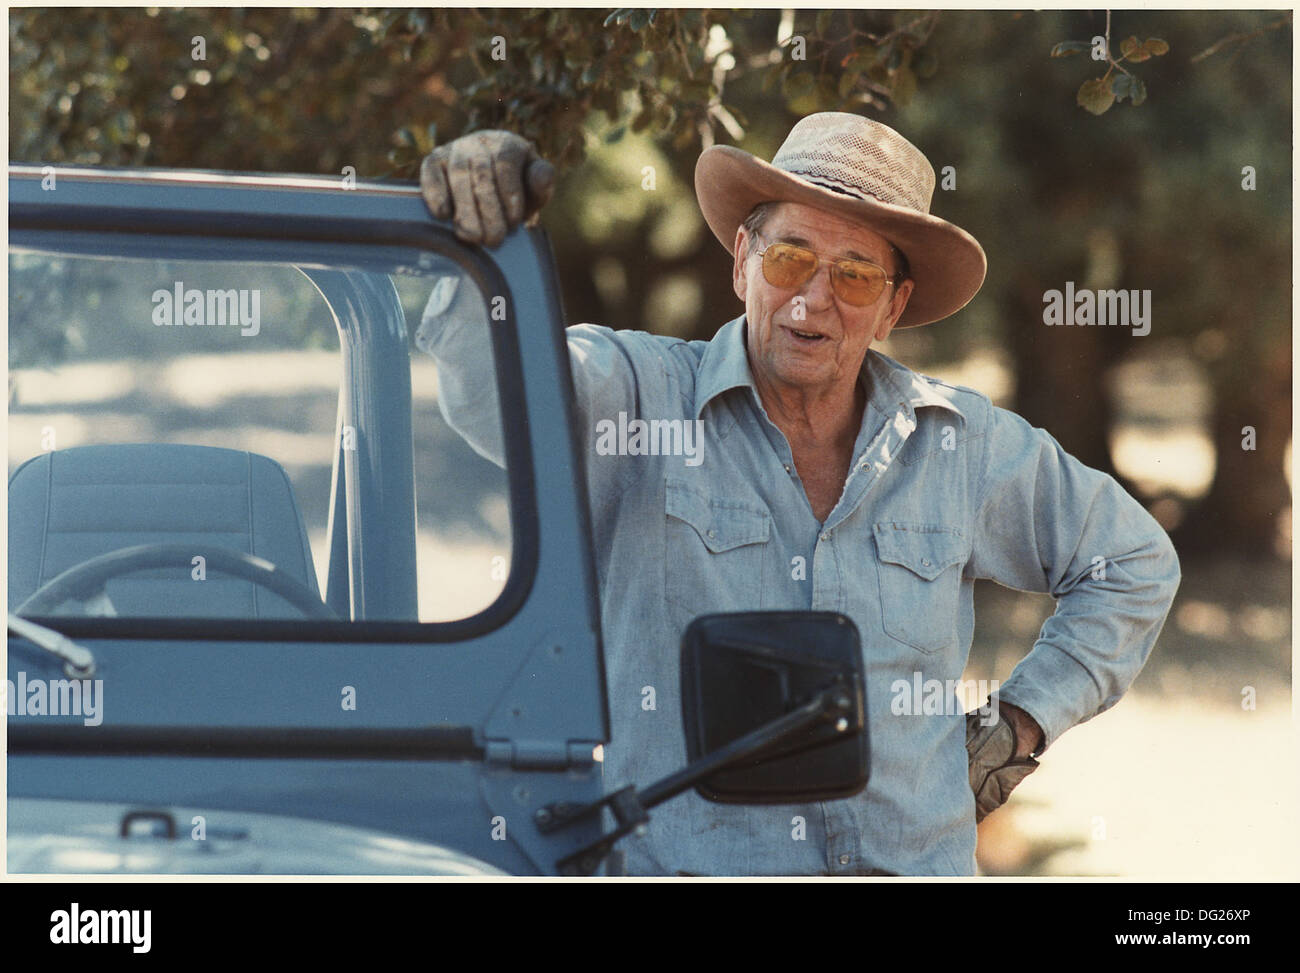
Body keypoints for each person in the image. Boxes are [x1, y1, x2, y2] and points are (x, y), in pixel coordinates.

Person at [417, 112, 1181, 875]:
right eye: (790, 257)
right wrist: (477, 242)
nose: (814, 299)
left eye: (855, 275)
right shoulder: (639, 396)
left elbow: (1133, 561)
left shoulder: (959, 442)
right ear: (742, 261)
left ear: (892, 307)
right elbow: (494, 399)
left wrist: (1017, 728)